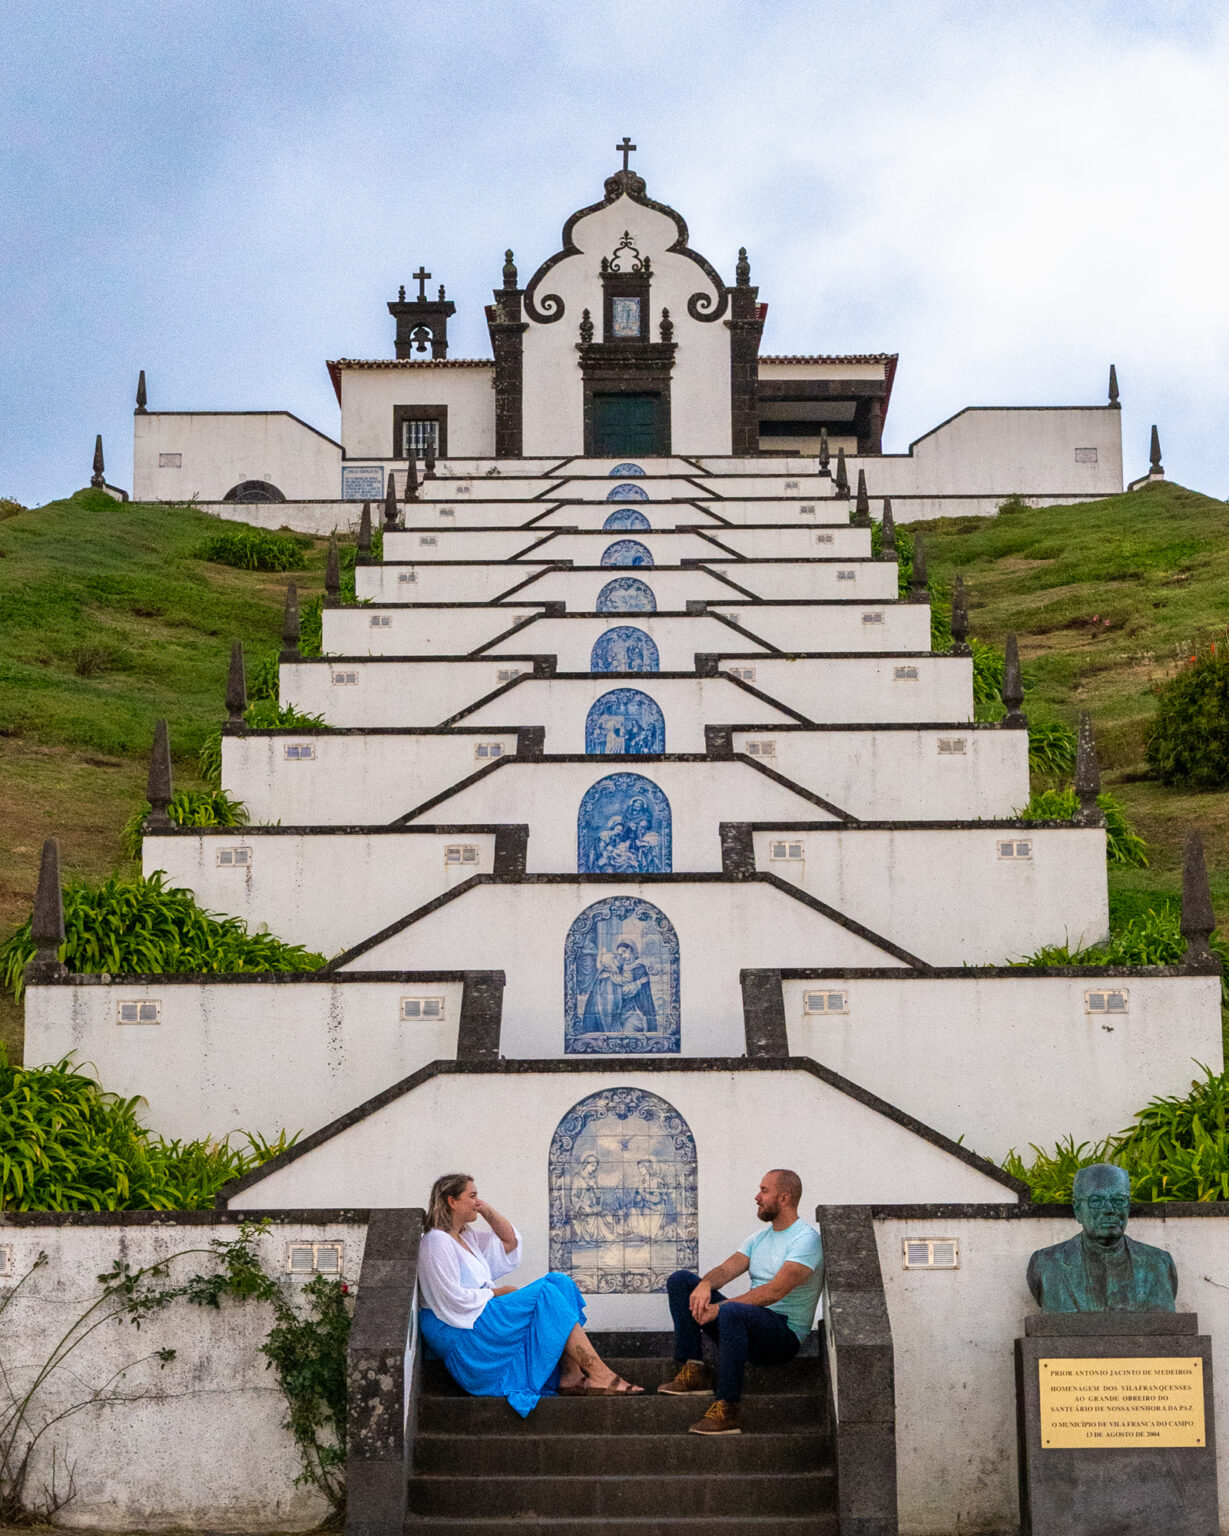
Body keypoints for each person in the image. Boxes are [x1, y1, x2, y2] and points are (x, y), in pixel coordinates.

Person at [416, 1172, 644, 1416]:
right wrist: (496, 1292)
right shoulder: (436, 1241)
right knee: (545, 1292)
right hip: (460, 1330)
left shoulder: (466, 1238)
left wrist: (486, 1210)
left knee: (560, 1282)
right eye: (472, 1196)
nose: (477, 1201)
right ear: (452, 1201)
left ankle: (570, 1374)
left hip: (478, 1315)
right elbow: (448, 1297)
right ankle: (600, 1374)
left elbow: (510, 1241)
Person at [659, 1169, 823, 1436]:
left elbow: (775, 1291)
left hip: (783, 1335)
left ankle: (727, 1407)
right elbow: (726, 1270)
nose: (757, 1197)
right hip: (745, 1325)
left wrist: (720, 1309)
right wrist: (705, 1284)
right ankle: (695, 1369)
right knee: (681, 1281)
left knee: (733, 1311)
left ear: (784, 1199)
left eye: (764, 1191)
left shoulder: (806, 1240)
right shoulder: (758, 1238)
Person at [1027, 1162, 1178, 1312]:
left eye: (1118, 1200)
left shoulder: (1160, 1263)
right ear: (1078, 1209)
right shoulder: (1046, 1263)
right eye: (1096, 1201)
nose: (1109, 1209)